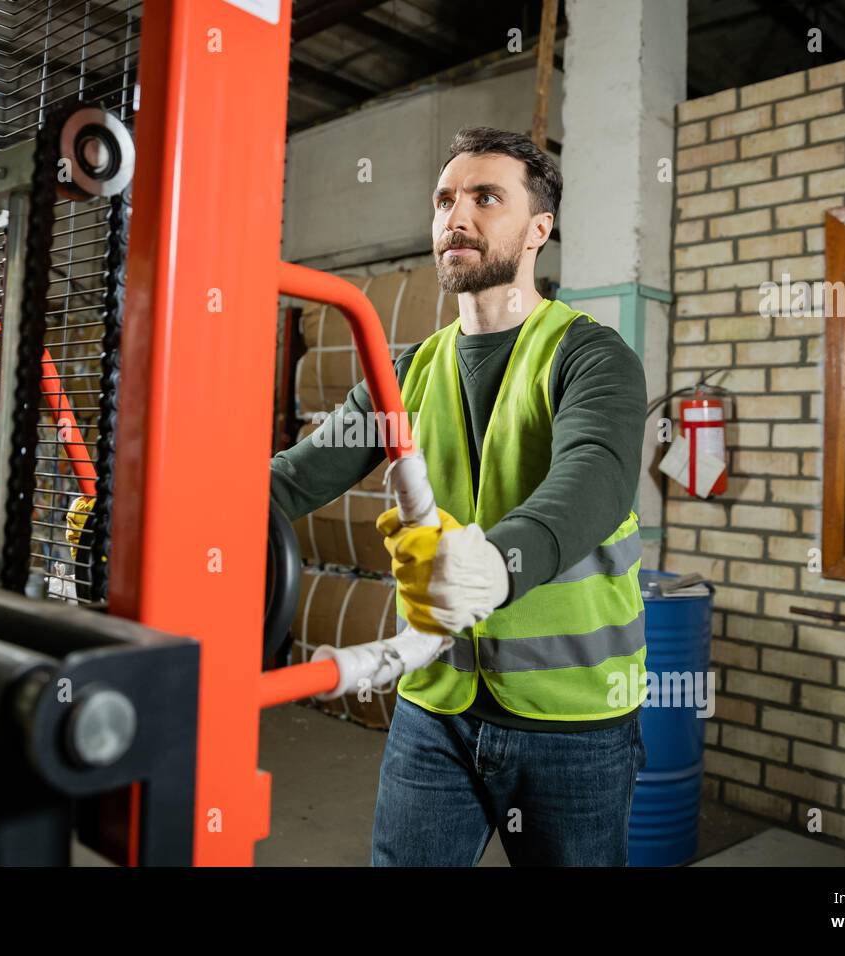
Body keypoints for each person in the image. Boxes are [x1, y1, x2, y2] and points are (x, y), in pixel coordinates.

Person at [271, 127, 649, 866]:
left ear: (539, 228)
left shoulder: (590, 355)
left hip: (575, 719)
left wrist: (498, 563)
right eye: (445, 199)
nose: (457, 217)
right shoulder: (403, 374)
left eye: (485, 197)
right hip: (434, 704)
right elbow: (293, 478)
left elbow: (596, 477)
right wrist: (149, 519)